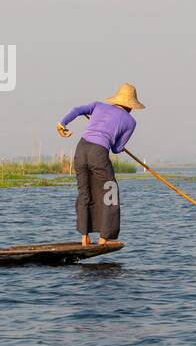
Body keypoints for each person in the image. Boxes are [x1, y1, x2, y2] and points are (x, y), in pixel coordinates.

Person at [56, 83, 144, 246]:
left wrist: (62, 124)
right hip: (98, 153)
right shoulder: (130, 122)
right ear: (131, 106)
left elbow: (76, 110)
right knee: (111, 191)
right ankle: (104, 238)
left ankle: (84, 238)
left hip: (81, 149)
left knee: (84, 191)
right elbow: (116, 149)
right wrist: (121, 146)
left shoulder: (98, 106)